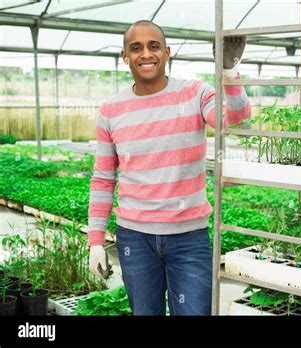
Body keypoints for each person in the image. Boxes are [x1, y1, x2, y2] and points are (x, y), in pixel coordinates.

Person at [86, 20, 250, 315]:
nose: (145, 54)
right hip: (134, 239)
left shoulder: (195, 93)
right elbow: (103, 178)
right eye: (136, 48)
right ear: (125, 56)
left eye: (154, 46)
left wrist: (229, 73)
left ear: (167, 52)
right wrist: (96, 242)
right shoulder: (111, 110)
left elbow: (233, 121)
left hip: (189, 238)